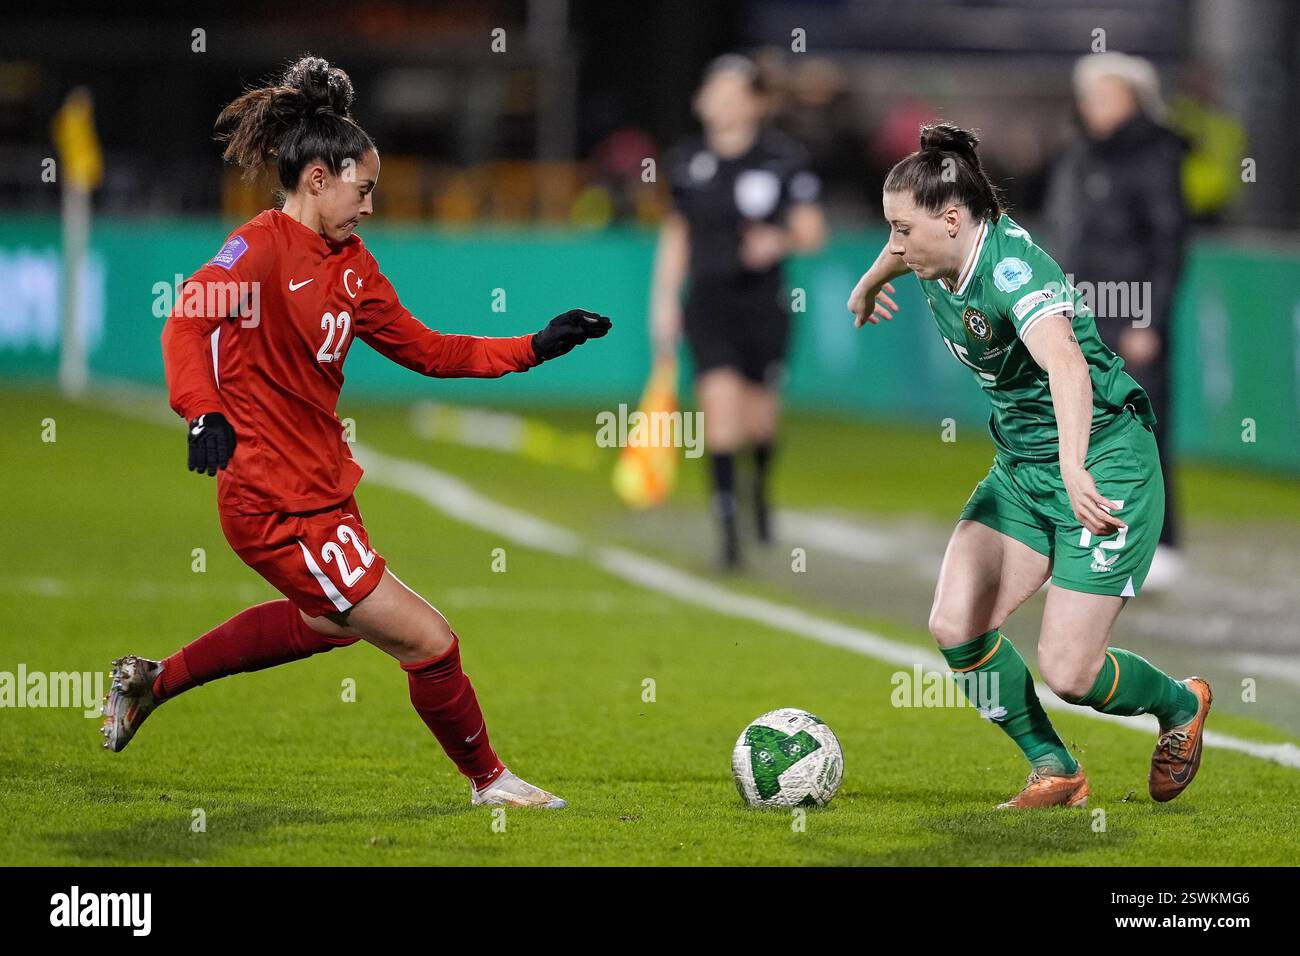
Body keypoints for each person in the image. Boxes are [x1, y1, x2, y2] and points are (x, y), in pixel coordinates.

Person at [100, 56, 611, 809]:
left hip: (321, 490)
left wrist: (533, 346)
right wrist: (201, 410)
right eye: (362, 189)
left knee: (327, 625)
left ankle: (153, 680)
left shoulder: (353, 265)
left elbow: (430, 350)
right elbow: (187, 319)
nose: (369, 207)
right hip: (275, 502)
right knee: (430, 641)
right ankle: (490, 782)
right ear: (317, 180)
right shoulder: (262, 248)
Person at [847, 122, 1210, 809]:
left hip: (1102, 464)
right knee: (955, 624)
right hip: (1022, 469)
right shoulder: (935, 247)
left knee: (1071, 672)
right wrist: (869, 283)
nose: (894, 242)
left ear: (952, 219)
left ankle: (1179, 703)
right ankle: (1056, 768)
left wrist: (1075, 468)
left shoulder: (1014, 270)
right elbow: (899, 250)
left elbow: (1067, 366)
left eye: (902, 229)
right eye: (888, 228)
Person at [650, 54, 826, 569]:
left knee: (759, 422)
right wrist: (663, 301)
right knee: (719, 411)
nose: (721, 101)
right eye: (715, 90)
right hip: (708, 304)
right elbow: (676, 235)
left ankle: (760, 486)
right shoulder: (686, 161)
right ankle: (727, 528)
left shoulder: (782, 159)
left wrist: (779, 240)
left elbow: (814, 233)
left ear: (754, 104)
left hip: (763, 306)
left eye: (733, 92)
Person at [1044, 52, 1189, 588]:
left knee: (1141, 428)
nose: (1091, 107)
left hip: (1130, 313)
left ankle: (1162, 542)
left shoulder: (1155, 154)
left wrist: (1148, 320)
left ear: (1131, 97)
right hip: (1079, 313)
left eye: (1102, 95)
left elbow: (1168, 245)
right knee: (1076, 427)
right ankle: (1085, 537)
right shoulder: (1080, 154)